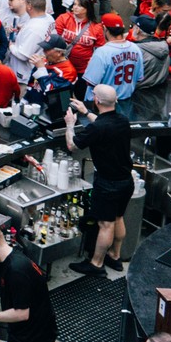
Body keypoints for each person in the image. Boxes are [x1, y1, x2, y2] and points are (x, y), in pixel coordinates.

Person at [68, 84, 135, 276]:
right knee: (118, 217)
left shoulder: (97, 128)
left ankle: (96, 264)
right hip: (126, 181)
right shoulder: (122, 120)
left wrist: (70, 124)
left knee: (105, 224)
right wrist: (85, 112)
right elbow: (103, 124)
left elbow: (72, 145)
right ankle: (115, 256)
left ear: (96, 100)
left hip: (108, 184)